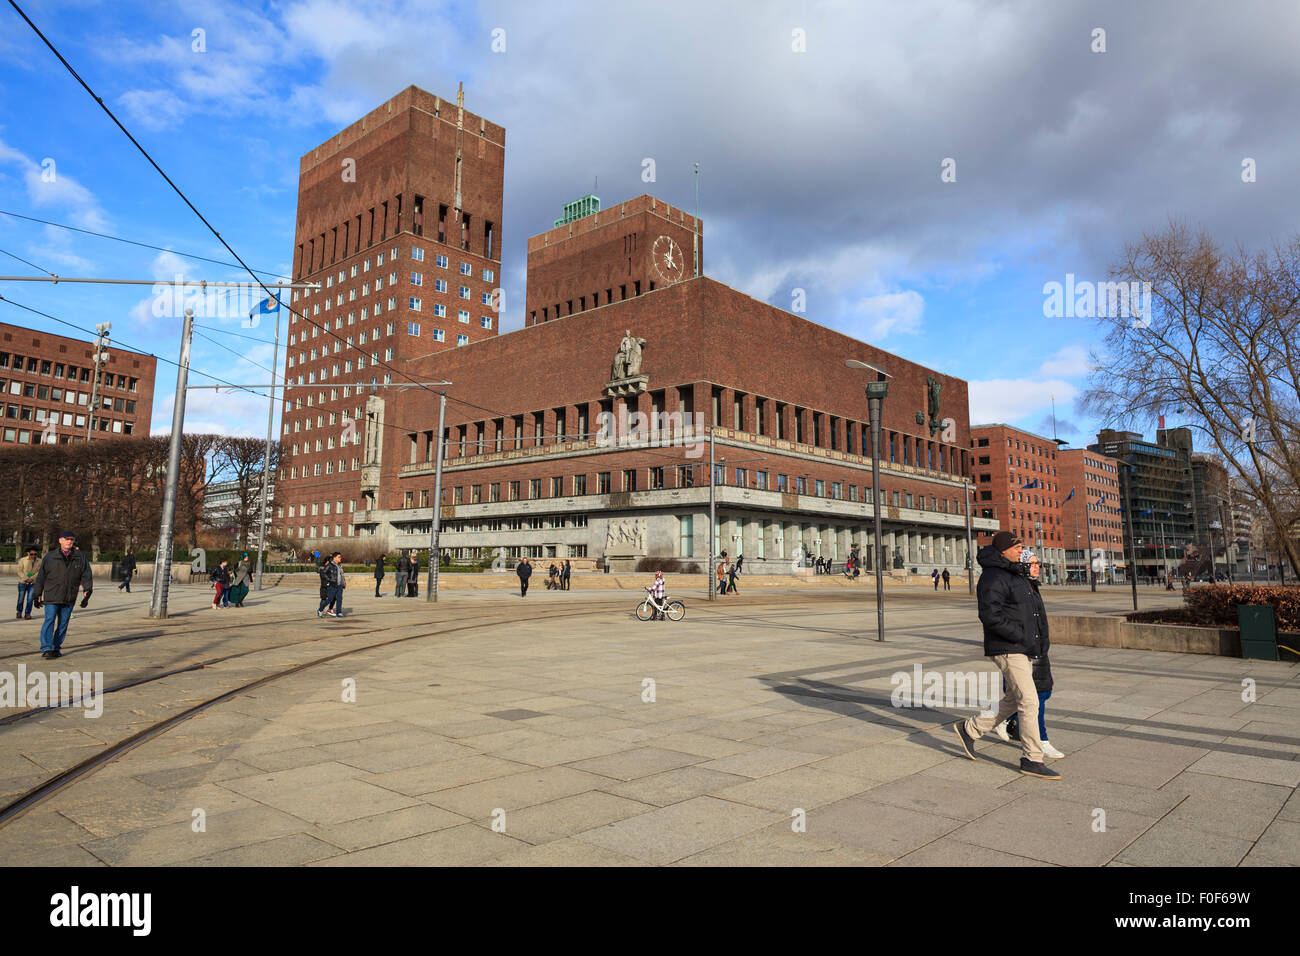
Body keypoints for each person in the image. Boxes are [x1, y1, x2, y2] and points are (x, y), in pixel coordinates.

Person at [951, 530, 1061, 781]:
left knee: (1014, 699)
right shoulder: (993, 576)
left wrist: (1037, 641)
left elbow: (1030, 611)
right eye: (1017, 547)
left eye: (1022, 546)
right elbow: (990, 614)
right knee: (1030, 701)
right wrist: (1019, 635)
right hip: (1008, 646)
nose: (1021, 550)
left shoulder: (1015, 573)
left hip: (1021, 646)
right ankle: (1032, 759)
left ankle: (970, 729)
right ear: (1003, 550)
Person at [992, 550, 1063, 758]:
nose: (1036, 566)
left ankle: (1007, 719)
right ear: (1021, 565)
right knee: (1036, 697)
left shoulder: (1031, 586)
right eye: (1031, 563)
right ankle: (1041, 740)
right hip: (1022, 649)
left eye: (1037, 563)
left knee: (1042, 693)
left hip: (1038, 647)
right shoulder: (1015, 587)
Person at [32, 532, 92, 659]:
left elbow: (86, 574)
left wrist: (87, 590)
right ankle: (47, 648)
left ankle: (56, 647)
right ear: (60, 540)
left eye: (71, 539)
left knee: (63, 623)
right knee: (50, 620)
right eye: (67, 539)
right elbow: (41, 576)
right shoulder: (50, 556)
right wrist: (37, 594)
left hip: (69, 595)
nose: (69, 542)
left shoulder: (80, 556)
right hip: (52, 594)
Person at [318, 552, 345, 618]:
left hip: (339, 585)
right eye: (339, 557)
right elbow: (323, 573)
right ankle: (320, 609)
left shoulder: (340, 565)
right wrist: (329, 579)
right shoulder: (330, 565)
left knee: (339, 599)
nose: (340, 558)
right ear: (335, 558)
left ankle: (339, 613)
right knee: (329, 599)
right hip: (332, 585)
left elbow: (342, 575)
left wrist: (343, 583)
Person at [16, 547, 39, 620]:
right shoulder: (22, 560)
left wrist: (32, 578)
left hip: (33, 583)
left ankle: (27, 614)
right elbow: (19, 571)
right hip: (23, 582)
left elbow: (39, 572)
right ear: (28, 553)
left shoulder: (40, 561)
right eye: (31, 554)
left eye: (35, 554)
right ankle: (19, 611)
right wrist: (26, 578)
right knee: (21, 598)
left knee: (30, 599)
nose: (33, 556)